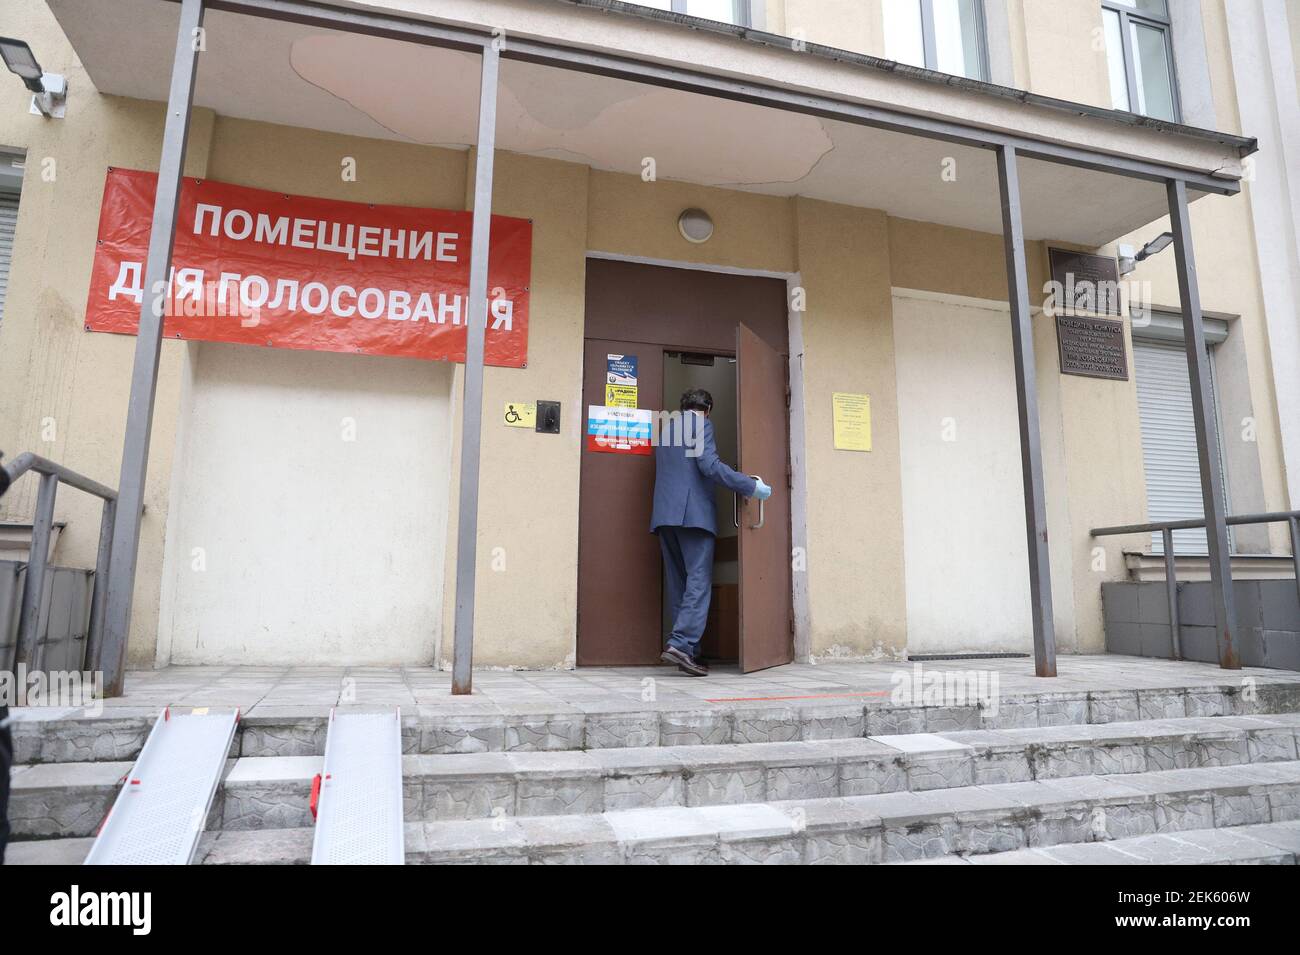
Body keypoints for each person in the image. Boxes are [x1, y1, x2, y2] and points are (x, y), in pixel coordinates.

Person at [651, 389, 771, 676]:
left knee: (679, 583)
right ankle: (681, 644)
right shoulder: (700, 424)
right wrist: (749, 486)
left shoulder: (666, 429)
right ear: (708, 409)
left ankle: (687, 651)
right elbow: (709, 465)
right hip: (693, 515)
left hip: (665, 515)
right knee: (698, 582)